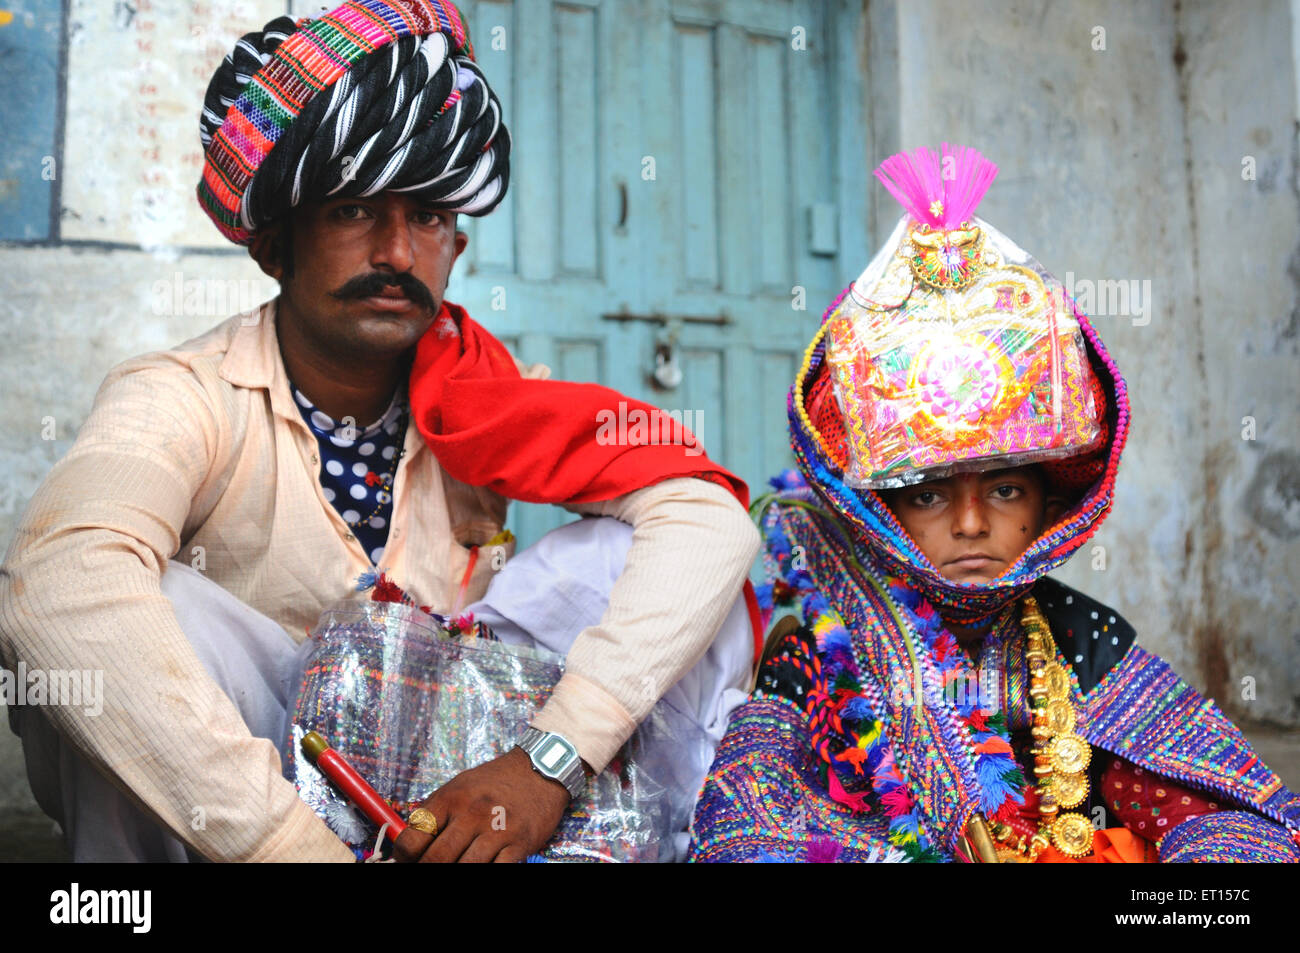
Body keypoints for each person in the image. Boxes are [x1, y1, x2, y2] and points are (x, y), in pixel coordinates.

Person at [0, 0, 759, 863]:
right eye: (357, 210)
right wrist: (290, 846)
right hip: (249, 796)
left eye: (430, 217)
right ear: (275, 246)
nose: (399, 251)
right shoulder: (183, 395)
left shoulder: (480, 398)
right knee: (125, 613)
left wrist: (548, 762)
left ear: (457, 250)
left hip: (443, 778)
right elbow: (55, 583)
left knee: (668, 566)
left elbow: (711, 520)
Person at [688, 144, 1300, 863]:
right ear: (877, 509)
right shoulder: (817, 648)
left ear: (1048, 504)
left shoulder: (1080, 638)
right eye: (927, 492)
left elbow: (1224, 815)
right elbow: (740, 824)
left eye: (1005, 489)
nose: (973, 523)